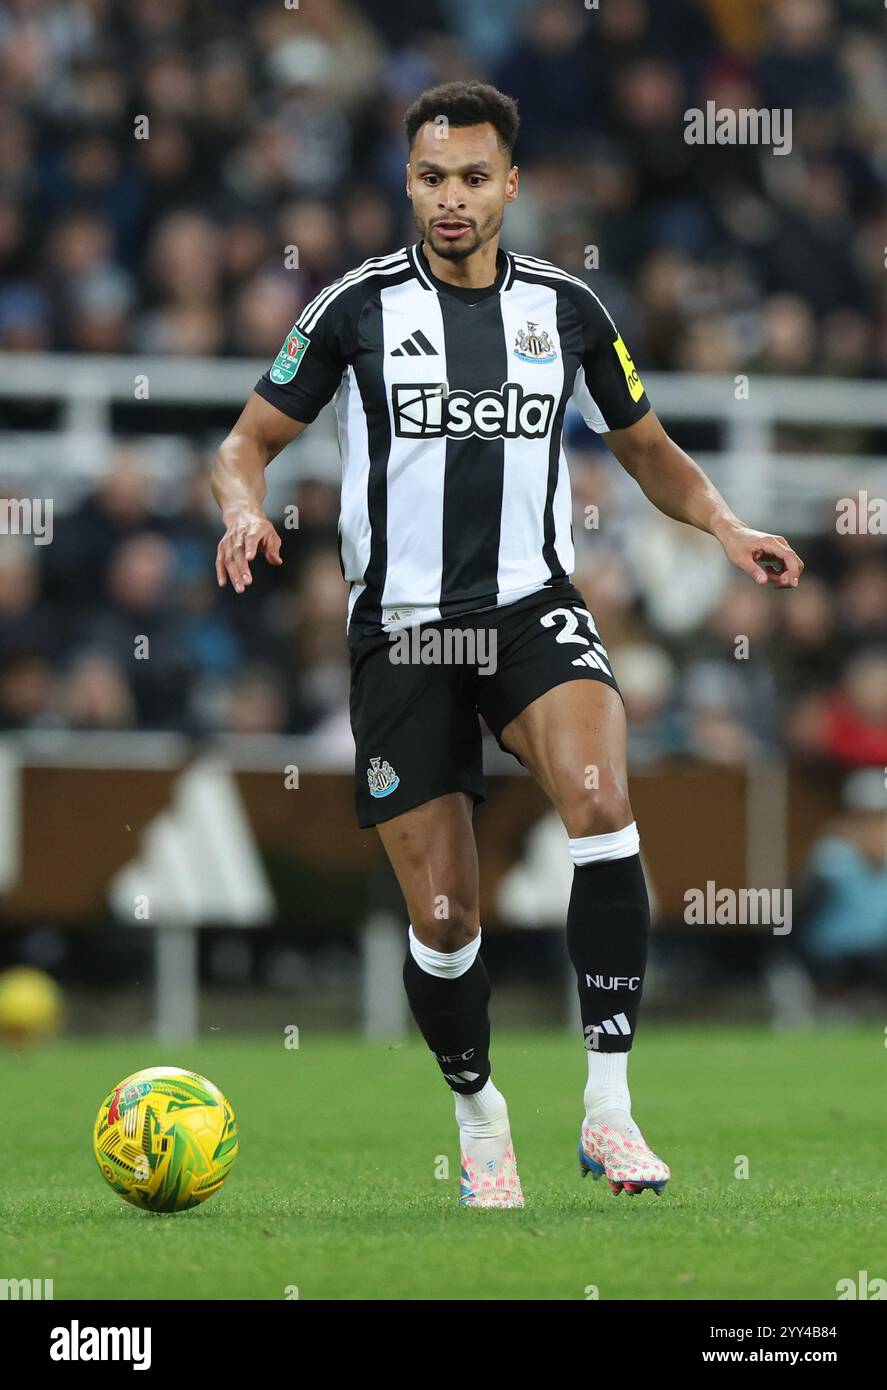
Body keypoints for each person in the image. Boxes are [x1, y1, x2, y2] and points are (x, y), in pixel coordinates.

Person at [210, 81, 804, 1208]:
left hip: (531, 610)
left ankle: (609, 1110)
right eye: (431, 177)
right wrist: (244, 506)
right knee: (444, 921)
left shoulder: (568, 310)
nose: (451, 198)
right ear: (407, 182)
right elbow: (247, 440)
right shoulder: (352, 309)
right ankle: (479, 1111)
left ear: (510, 185)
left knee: (599, 801)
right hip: (401, 628)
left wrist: (724, 524)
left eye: (473, 178)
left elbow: (645, 447)